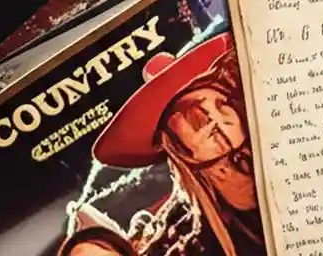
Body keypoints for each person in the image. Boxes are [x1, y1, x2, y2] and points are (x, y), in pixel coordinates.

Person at [57, 33, 264, 256]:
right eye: (195, 115)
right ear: (177, 148)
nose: (216, 120)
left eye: (223, 103)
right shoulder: (196, 243)